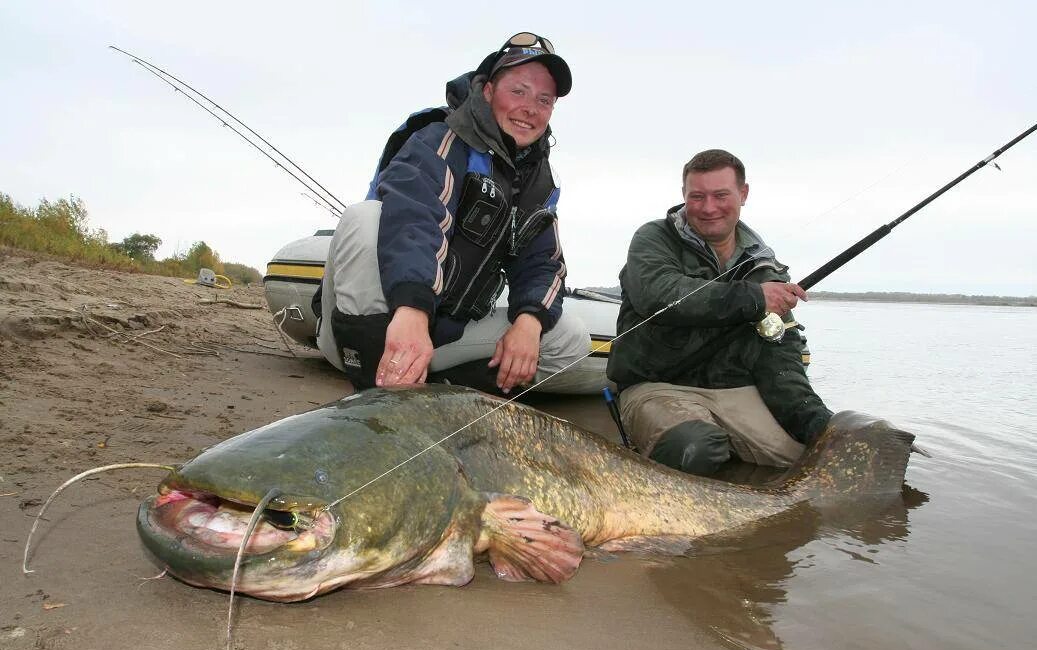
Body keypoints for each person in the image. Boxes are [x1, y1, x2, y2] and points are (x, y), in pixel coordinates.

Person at [316, 32, 589, 395]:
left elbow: (544, 262)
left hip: (446, 332)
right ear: (489, 91)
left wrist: (529, 321)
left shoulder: (540, 180)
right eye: (519, 91)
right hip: (389, 318)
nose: (530, 108)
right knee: (364, 218)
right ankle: (373, 385)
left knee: (572, 340)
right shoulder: (439, 137)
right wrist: (413, 309)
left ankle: (439, 396)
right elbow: (416, 217)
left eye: (544, 100)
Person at [606, 149, 833, 476]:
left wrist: (818, 424)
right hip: (655, 386)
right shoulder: (653, 239)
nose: (709, 207)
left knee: (817, 457)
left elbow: (780, 363)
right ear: (683, 195)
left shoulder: (765, 269)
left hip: (735, 390)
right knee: (695, 446)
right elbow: (660, 295)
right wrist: (753, 298)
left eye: (720, 195)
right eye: (697, 196)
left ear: (743, 194)